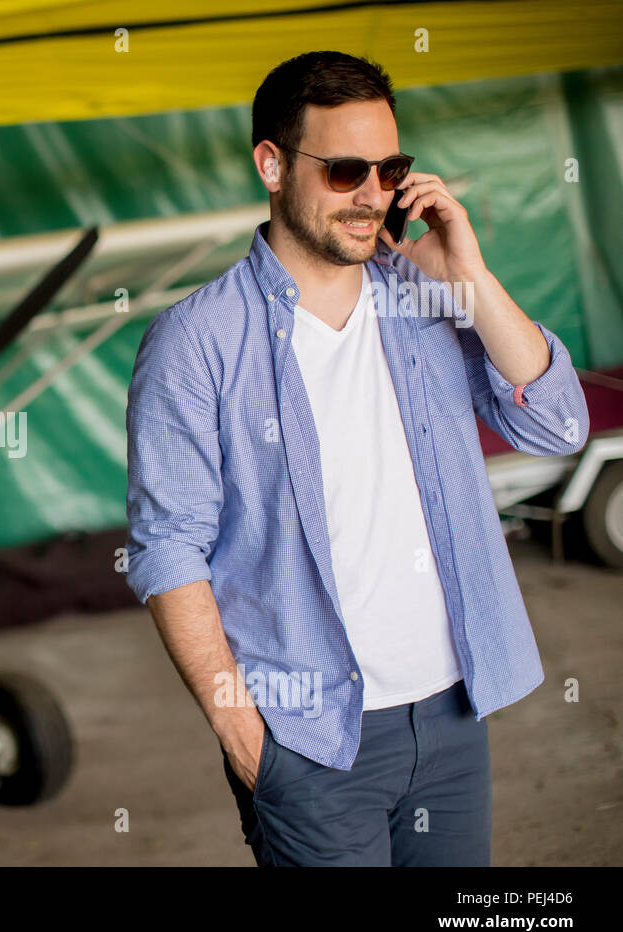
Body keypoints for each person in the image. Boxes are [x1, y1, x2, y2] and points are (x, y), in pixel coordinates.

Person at [124, 50, 589, 866]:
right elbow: (169, 550)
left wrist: (469, 277)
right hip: (309, 741)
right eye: (344, 170)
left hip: (451, 716)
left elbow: (558, 426)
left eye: (390, 169)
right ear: (272, 165)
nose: (372, 195)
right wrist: (244, 734)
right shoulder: (196, 341)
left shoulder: (429, 299)